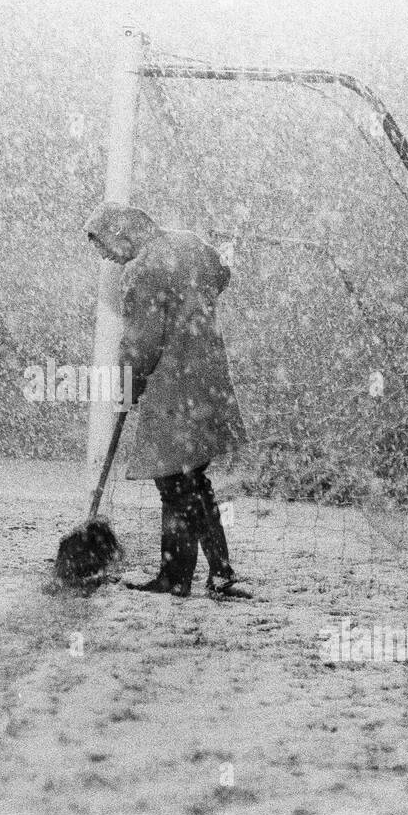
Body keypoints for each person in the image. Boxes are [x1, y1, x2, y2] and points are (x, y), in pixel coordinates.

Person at [84, 203, 249, 599]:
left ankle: (176, 576)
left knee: (173, 482)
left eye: (106, 247)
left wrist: (127, 385)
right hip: (207, 379)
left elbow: (141, 342)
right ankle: (220, 572)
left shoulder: (142, 271)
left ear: (123, 234)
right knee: (193, 479)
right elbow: (221, 274)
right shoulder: (190, 246)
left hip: (173, 386)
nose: (107, 257)